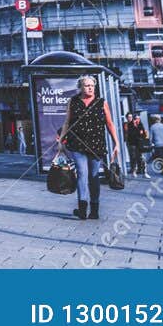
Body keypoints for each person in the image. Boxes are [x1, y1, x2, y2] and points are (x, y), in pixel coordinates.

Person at [56, 75, 120, 220]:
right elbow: (67, 122)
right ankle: (83, 209)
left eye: (92, 85)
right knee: (82, 173)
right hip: (77, 144)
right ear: (81, 87)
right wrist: (61, 140)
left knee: (94, 176)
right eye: (87, 85)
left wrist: (116, 143)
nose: (90, 88)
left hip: (96, 145)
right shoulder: (73, 101)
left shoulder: (101, 102)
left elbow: (109, 124)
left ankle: (95, 209)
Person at [123, 113, 149, 178]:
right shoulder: (129, 125)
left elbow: (143, 133)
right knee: (133, 157)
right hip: (132, 143)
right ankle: (134, 171)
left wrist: (143, 137)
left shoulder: (140, 124)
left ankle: (144, 172)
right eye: (136, 119)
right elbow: (130, 134)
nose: (138, 120)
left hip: (139, 143)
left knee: (142, 158)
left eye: (139, 118)